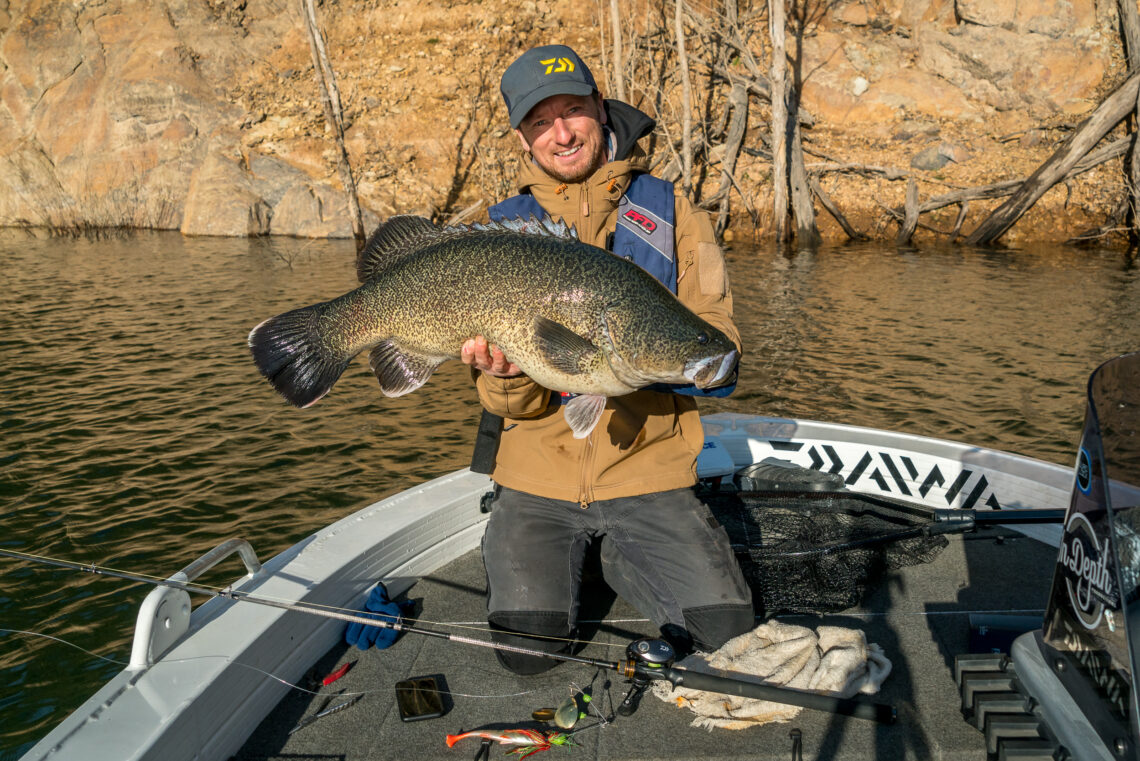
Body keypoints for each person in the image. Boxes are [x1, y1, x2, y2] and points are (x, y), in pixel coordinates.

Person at [460, 44, 753, 675]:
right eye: (541, 122)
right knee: (526, 655)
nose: (562, 133)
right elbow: (508, 405)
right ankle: (581, 552)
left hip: (649, 472)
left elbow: (717, 338)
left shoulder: (674, 213)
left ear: (600, 108)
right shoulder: (501, 234)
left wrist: (697, 361)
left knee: (724, 635)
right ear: (522, 138)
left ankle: (618, 552)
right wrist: (503, 378)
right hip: (536, 475)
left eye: (572, 111)